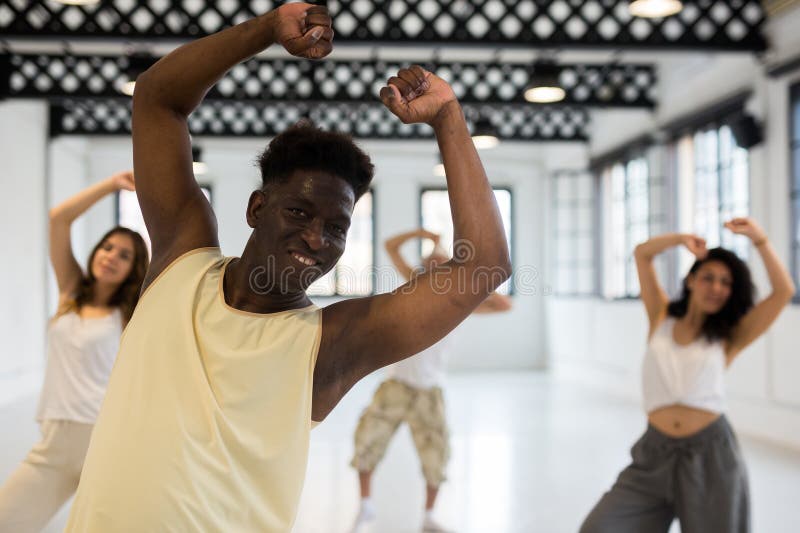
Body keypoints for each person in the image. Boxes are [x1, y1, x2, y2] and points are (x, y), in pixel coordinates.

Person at [64, 3, 511, 532]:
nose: (317, 239)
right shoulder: (180, 262)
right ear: (257, 208)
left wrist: (449, 119)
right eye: (299, 212)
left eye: (337, 227)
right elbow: (157, 99)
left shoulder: (330, 344)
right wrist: (266, 28)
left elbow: (483, 265)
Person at [579, 218, 795, 533]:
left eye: (726, 282)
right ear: (691, 280)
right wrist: (681, 239)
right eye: (708, 277)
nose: (717, 288)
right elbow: (642, 254)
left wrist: (760, 239)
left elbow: (783, 291)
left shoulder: (730, 335)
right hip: (654, 453)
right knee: (601, 527)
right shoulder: (660, 315)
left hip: (711, 456)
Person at [0, 171, 148, 533]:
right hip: (53, 442)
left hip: (103, 442)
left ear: (132, 269)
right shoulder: (70, 292)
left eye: (124, 255)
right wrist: (111, 185)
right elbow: (59, 219)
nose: (111, 257)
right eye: (108, 247)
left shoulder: (130, 313)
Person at [350, 229, 512, 533]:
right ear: (423, 269)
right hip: (397, 385)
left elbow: (505, 304)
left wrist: (469, 283)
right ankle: (365, 506)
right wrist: (423, 234)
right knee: (367, 441)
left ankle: (429, 516)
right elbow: (390, 245)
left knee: (436, 455)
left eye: (442, 264)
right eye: (430, 264)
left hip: (429, 392)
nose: (435, 268)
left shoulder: (461, 302)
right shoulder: (415, 287)